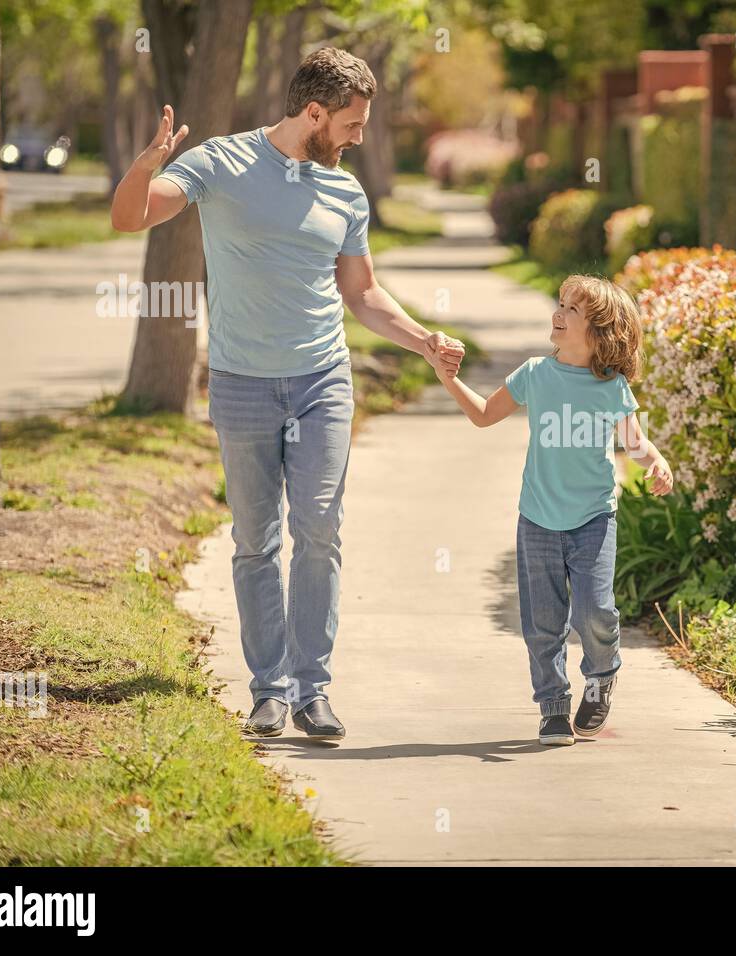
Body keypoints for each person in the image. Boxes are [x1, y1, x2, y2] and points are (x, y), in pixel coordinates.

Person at [109, 47, 464, 742]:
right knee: (254, 538)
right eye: (353, 124)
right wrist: (147, 162)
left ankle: (312, 691)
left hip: (321, 381)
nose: (359, 136)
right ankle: (268, 691)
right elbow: (131, 218)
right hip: (242, 382)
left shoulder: (346, 192)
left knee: (320, 530)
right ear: (313, 113)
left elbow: (360, 294)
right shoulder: (221, 163)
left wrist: (423, 339)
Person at [435, 275, 674, 745]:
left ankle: (603, 673)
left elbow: (634, 443)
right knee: (543, 622)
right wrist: (450, 379)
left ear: (600, 332)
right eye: (560, 304)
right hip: (538, 518)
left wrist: (658, 461)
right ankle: (553, 708)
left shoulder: (612, 387)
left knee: (594, 611)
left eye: (572, 310)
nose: (558, 314)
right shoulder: (534, 374)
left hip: (593, 519)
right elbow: (484, 415)